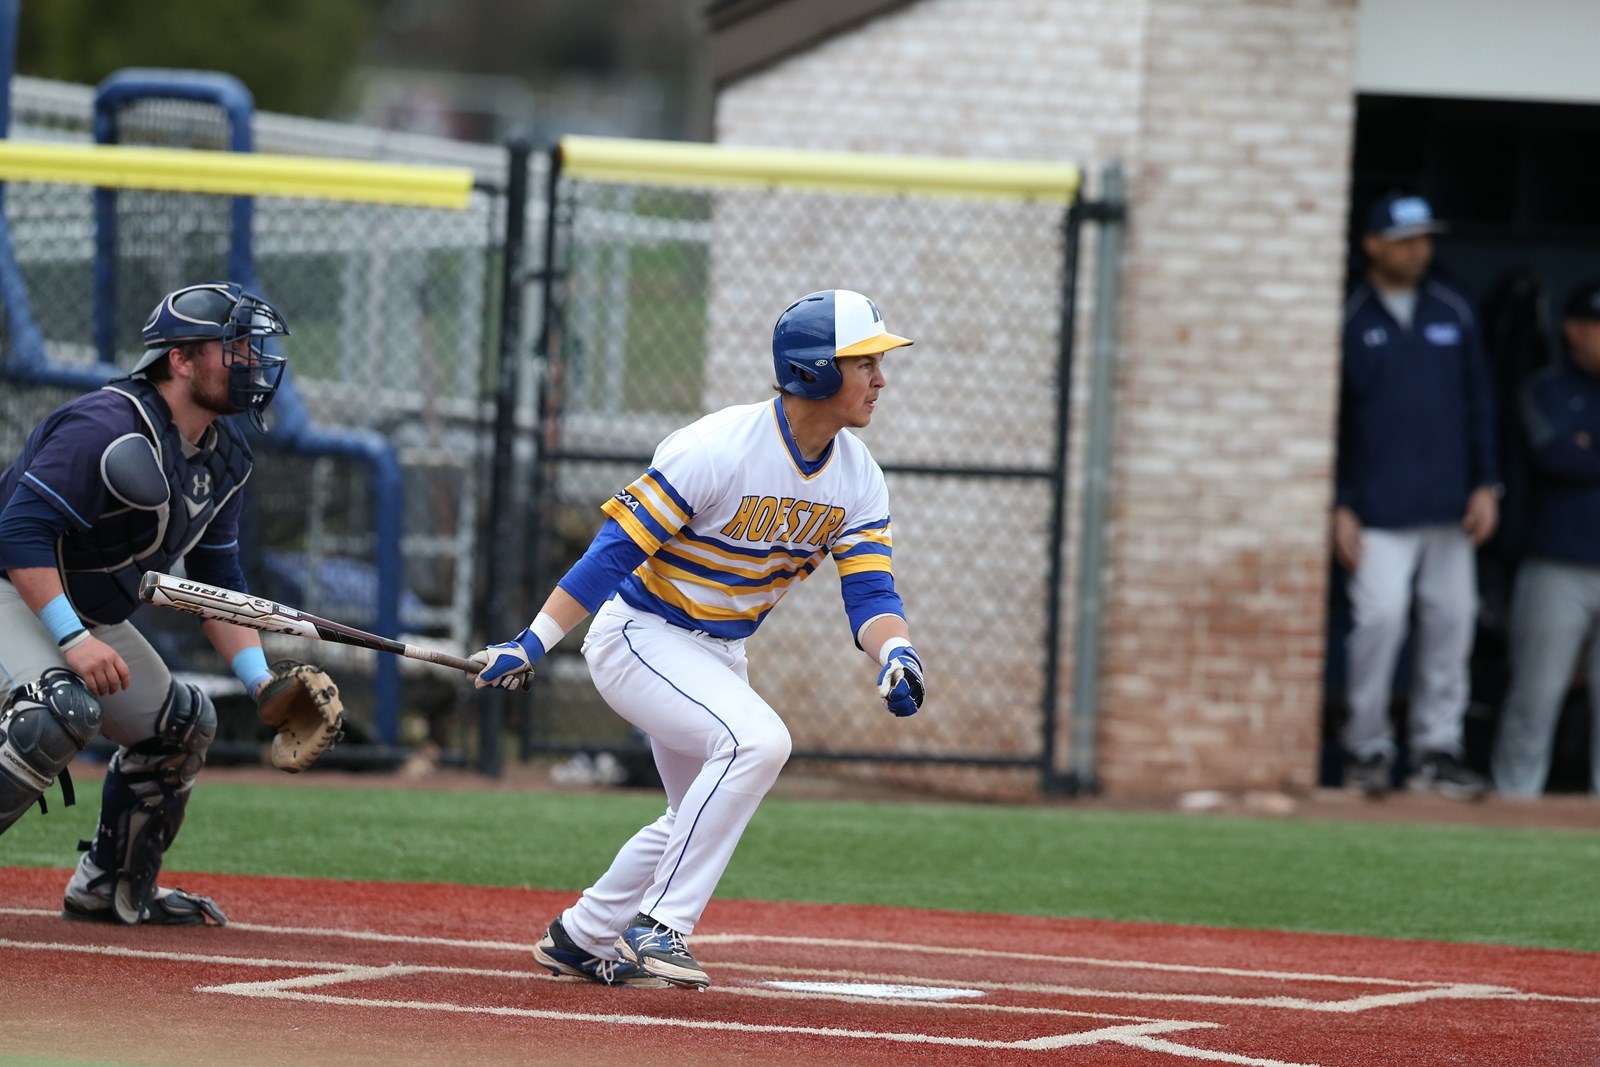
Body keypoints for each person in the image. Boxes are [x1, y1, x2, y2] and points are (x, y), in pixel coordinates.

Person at [472, 289, 925, 989]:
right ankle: (660, 924)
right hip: (641, 634)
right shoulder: (715, 448)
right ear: (816, 370)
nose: (881, 379)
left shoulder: (858, 476)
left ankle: (582, 934)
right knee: (759, 741)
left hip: (716, 653)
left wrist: (896, 651)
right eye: (865, 362)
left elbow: (870, 593)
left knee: (696, 813)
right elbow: (613, 552)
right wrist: (534, 640)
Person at [0, 282, 291, 924]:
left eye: (252, 346)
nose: (251, 360)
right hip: (13, 591)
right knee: (55, 713)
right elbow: (19, 534)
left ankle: (109, 886)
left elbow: (218, 577)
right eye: (234, 347)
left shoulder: (227, 451)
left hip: (80, 612)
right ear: (180, 360)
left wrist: (262, 682)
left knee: (183, 725)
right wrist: (72, 639)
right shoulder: (105, 426)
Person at [1332, 193, 1498, 800]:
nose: (1417, 250)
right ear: (1372, 243)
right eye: (1403, 240)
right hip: (1377, 505)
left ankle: (1436, 748)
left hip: (1450, 504)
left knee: (1452, 624)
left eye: (1424, 239)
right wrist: (1339, 500)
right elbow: (1334, 417)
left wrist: (1488, 482)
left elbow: (1480, 401)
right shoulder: (1349, 311)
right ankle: (1368, 747)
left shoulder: (1452, 305)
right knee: (1380, 620)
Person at [1491, 279, 1600, 798]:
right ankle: (1515, 801)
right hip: (1557, 564)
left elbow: (1581, 455)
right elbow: (1556, 455)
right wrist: (1578, 450)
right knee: (1535, 696)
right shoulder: (1546, 386)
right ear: (1573, 329)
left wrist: (1590, 446)